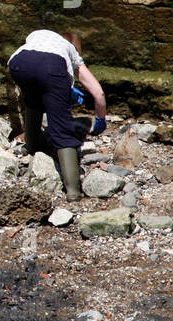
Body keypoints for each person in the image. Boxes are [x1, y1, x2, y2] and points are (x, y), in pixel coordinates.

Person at [7, 29, 107, 201]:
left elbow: (35, 60)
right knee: (61, 127)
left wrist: (61, 87)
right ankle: (74, 192)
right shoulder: (71, 50)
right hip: (51, 67)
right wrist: (100, 119)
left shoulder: (38, 33)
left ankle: (33, 146)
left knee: (33, 102)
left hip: (18, 63)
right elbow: (99, 93)